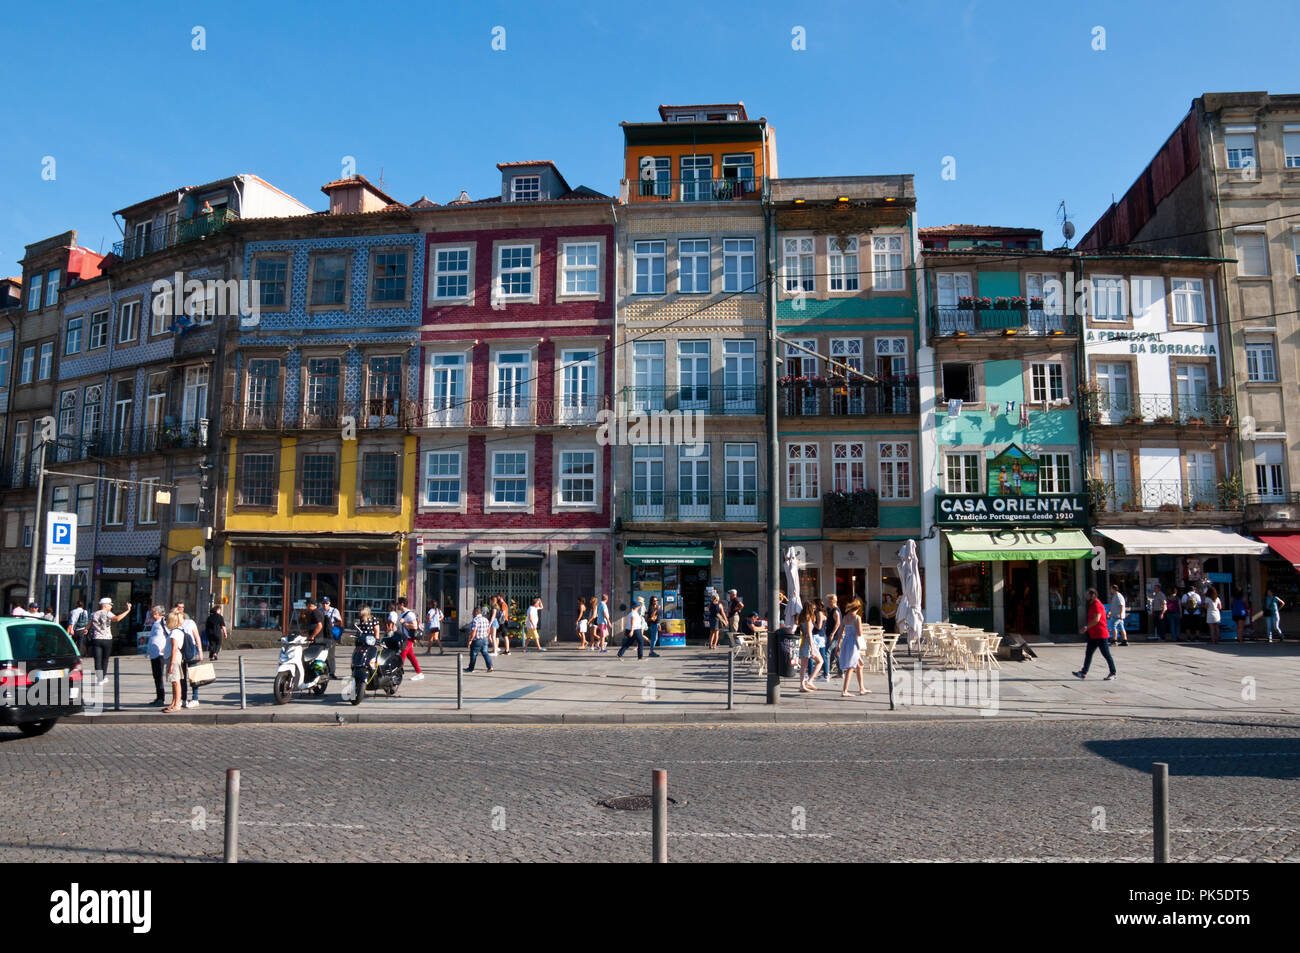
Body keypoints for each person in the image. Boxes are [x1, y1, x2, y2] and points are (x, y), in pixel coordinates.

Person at [1073, 588, 1117, 680]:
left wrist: (1086, 627)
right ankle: (1083, 672)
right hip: (1094, 635)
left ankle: (1113, 673)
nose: (1086, 596)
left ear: (1093, 595)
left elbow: (1097, 619)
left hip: (1100, 634)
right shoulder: (1092, 604)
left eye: (1087, 594)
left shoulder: (1097, 605)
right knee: (1088, 653)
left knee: (1106, 654)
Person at [90, 597, 131, 685]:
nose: (111, 607)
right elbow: (117, 619)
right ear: (105, 605)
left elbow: (89, 624)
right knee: (105, 659)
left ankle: (99, 679)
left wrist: (86, 629)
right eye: (110, 605)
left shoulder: (93, 614)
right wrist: (127, 611)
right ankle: (103, 677)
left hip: (96, 638)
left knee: (97, 660)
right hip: (107, 639)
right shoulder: (108, 613)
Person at [175, 602, 203, 707]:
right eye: (178, 608)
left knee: (193, 676)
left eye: (182, 608)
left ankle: (195, 698)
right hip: (180, 652)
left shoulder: (190, 622)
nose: (180, 610)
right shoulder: (174, 624)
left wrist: (200, 651)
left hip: (191, 651)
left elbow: (197, 637)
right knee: (182, 677)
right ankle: (183, 698)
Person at [839, 598, 869, 696]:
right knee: (851, 666)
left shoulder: (845, 617)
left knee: (860, 665)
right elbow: (860, 633)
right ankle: (845, 691)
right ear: (858, 608)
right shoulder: (857, 618)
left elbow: (840, 631)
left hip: (846, 642)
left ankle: (862, 688)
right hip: (853, 643)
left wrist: (838, 644)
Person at [161, 609, 186, 713]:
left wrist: (171, 664)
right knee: (174, 681)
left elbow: (174, 648)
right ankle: (173, 702)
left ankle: (177, 705)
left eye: (167, 620)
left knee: (176, 682)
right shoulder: (176, 631)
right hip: (173, 657)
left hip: (174, 658)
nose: (166, 622)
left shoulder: (175, 632)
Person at [304, 596, 334, 679]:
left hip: (318, 639)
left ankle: (317, 676)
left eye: (306, 605)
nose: (306, 607)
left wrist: (312, 636)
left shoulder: (315, 612)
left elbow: (319, 625)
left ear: (310, 605)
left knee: (312, 658)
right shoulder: (315, 612)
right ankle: (312, 675)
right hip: (317, 639)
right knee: (311, 658)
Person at [395, 597, 424, 680]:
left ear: (402, 604)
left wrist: (405, 623)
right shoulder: (401, 614)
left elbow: (414, 626)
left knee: (402, 654)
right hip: (403, 638)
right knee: (411, 656)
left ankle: (397, 674)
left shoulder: (410, 614)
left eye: (398, 604)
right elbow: (400, 627)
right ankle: (419, 673)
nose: (397, 605)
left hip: (408, 638)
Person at [145, 605, 168, 705]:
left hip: (160, 653)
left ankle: (161, 698)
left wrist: (166, 648)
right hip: (154, 653)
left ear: (158, 613)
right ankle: (158, 696)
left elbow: (170, 634)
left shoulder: (164, 622)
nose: (151, 614)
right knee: (156, 675)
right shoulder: (155, 623)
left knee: (159, 675)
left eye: (153, 612)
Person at [797, 604, 821, 692]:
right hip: (807, 643)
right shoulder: (808, 619)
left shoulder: (803, 618)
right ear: (810, 609)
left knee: (805, 665)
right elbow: (809, 634)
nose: (814, 610)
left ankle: (807, 682)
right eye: (813, 608)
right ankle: (805, 683)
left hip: (805, 642)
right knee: (806, 664)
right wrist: (813, 648)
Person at [463, 605, 493, 673]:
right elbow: (488, 630)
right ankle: (490, 666)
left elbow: (474, 631)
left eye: (473, 612)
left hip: (477, 640)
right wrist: (486, 636)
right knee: (485, 653)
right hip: (484, 639)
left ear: (476, 612)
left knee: (473, 654)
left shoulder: (475, 620)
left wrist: (470, 640)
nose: (472, 614)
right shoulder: (486, 619)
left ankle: (471, 668)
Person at [824, 593, 843, 679]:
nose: (827, 602)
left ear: (832, 601)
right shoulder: (832, 610)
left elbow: (838, 623)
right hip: (833, 634)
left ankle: (826, 672)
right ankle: (840, 672)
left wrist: (832, 633)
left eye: (828, 600)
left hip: (834, 635)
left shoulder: (835, 610)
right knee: (836, 653)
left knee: (827, 651)